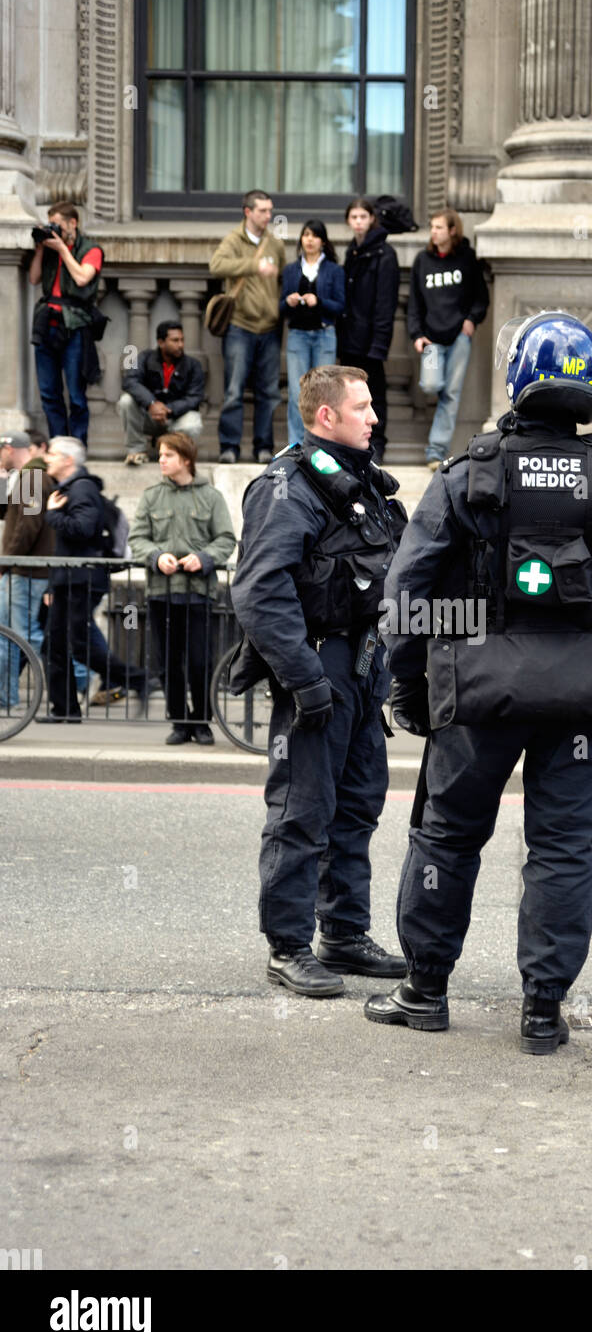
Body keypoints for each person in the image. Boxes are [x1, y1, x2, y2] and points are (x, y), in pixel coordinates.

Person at [364, 313, 592, 1054]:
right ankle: (543, 1010)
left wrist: (409, 686)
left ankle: (425, 991)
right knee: (564, 849)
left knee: (447, 840)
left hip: (480, 692)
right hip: (587, 697)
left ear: (515, 382)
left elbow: (409, 592)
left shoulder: (463, 480)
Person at [229, 365, 407, 998]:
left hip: (363, 664)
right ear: (325, 415)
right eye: (362, 407)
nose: (374, 417)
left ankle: (344, 933)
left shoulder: (364, 483)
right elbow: (259, 588)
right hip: (319, 661)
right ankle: (287, 945)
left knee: (357, 805)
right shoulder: (287, 485)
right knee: (302, 810)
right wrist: (304, 680)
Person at [128, 432, 236, 745]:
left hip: (198, 592)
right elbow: (137, 538)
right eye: (160, 455)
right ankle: (179, 721)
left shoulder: (211, 497)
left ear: (185, 460)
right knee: (169, 662)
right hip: (161, 591)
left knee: (200, 660)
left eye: (167, 455)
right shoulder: (151, 496)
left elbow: (226, 539)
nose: (161, 460)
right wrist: (155, 556)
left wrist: (203, 558)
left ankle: (201, 721)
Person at [38, 438, 148, 722]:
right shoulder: (61, 487)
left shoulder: (72, 487)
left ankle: (136, 679)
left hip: (74, 577)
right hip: (65, 577)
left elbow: (79, 529)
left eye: (51, 454)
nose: (46, 458)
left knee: (73, 643)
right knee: (54, 644)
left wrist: (51, 514)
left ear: (67, 460)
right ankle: (64, 709)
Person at [407, 209, 489, 471]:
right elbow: (414, 302)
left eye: (439, 227)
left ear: (453, 230)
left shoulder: (467, 259)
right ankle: (436, 442)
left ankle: (435, 451)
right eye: (432, 227)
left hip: (459, 339)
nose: (434, 232)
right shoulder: (423, 260)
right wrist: (417, 334)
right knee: (432, 385)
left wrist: (471, 320)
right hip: (431, 340)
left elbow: (480, 296)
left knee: (451, 395)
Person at [209, 189, 287, 465]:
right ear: (248, 212)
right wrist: (254, 265)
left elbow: (283, 279)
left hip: (270, 328)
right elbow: (216, 265)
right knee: (234, 390)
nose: (269, 216)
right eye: (263, 211)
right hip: (239, 327)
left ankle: (263, 447)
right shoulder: (234, 240)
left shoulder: (275, 244)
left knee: (269, 392)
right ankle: (229, 446)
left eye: (270, 210)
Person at [28, 201, 104, 447]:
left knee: (76, 394)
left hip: (75, 326)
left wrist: (62, 249)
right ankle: (59, 445)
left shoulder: (91, 250)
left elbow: (82, 278)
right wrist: (41, 248)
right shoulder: (50, 250)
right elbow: (34, 278)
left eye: (58, 225)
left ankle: (78, 448)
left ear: (73, 223)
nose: (55, 230)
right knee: (49, 393)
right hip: (47, 323)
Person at [340, 198, 400, 463]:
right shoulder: (352, 251)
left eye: (363, 217)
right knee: (348, 392)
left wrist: (379, 343)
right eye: (353, 217)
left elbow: (385, 303)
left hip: (371, 339)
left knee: (374, 392)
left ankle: (376, 442)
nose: (358, 222)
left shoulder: (385, 254)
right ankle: (353, 441)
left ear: (371, 219)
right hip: (350, 337)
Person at [0, 433, 54, 709]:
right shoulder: (23, 477)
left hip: (25, 570)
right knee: (11, 635)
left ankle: (81, 678)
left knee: (17, 636)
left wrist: (5, 561)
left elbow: (27, 527)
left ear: (9, 449)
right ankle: (5, 696)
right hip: (22, 568)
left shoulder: (32, 476)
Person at [280, 220, 345, 447]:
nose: (309, 239)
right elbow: (281, 308)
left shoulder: (334, 270)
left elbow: (340, 306)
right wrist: (288, 302)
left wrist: (318, 301)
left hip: (324, 335)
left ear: (323, 241)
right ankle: (296, 446)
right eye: (306, 235)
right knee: (297, 393)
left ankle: (321, 444)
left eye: (315, 235)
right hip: (298, 335)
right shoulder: (291, 270)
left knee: (324, 394)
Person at [118, 321, 204, 466]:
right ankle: (136, 451)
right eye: (175, 340)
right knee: (126, 401)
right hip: (149, 417)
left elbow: (195, 397)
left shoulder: (193, 365)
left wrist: (169, 409)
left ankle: (175, 455)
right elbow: (129, 381)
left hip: (175, 418)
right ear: (161, 342)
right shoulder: (144, 357)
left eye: (182, 340)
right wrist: (151, 403)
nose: (181, 345)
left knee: (193, 423)